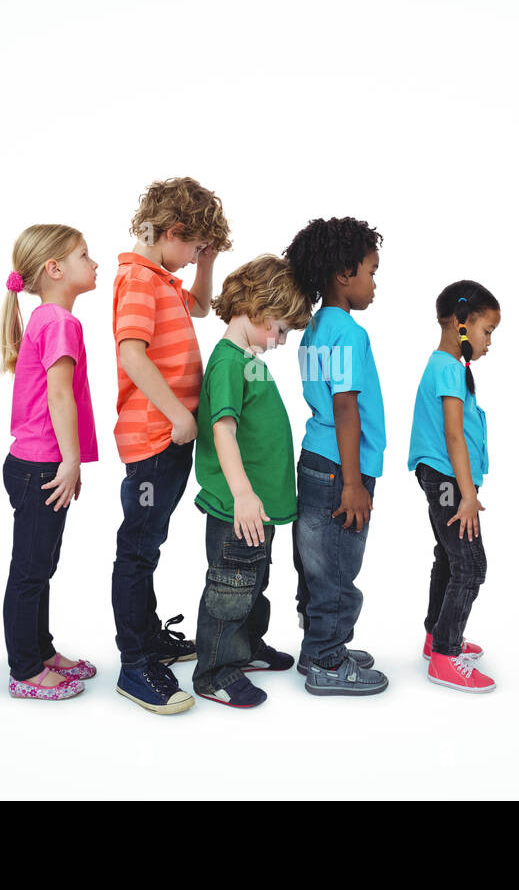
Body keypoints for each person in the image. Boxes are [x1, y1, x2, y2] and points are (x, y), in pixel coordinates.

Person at [111, 176, 232, 713]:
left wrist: (206, 260)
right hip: (155, 439)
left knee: (150, 543)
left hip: (172, 436)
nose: (191, 261)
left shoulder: (161, 276)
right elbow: (132, 355)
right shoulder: (138, 279)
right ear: (173, 231)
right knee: (136, 549)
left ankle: (150, 636)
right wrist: (180, 415)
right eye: (193, 248)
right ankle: (135, 663)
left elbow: (203, 306)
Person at [190, 255, 312, 708]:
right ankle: (215, 672)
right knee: (230, 589)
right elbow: (223, 428)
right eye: (279, 328)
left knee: (253, 581)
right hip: (237, 507)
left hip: (259, 509)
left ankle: (247, 648)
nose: (280, 341)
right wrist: (242, 493)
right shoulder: (227, 361)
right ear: (258, 306)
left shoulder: (249, 357)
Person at [285, 217, 389, 696]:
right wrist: (353, 483)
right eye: (371, 270)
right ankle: (329, 659)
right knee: (339, 566)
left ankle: (320, 646)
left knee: (316, 563)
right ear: (343, 274)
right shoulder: (347, 330)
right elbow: (345, 405)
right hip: (339, 468)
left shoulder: (315, 329)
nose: (374, 282)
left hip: (314, 458)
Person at [0, 224, 101, 701]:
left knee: (40, 565)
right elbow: (60, 397)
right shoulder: (60, 322)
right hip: (42, 466)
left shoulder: (46, 318)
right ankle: (24, 670)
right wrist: (71, 462)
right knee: (31, 570)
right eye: (85, 255)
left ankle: (40, 650)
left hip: (35, 464)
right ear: (54, 269)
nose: (94, 263)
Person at [408, 281, 500, 692]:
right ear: (461, 322)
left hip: (445, 478)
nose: (489, 342)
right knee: (471, 565)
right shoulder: (447, 368)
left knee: (449, 558)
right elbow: (454, 437)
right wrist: (468, 495)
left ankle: (436, 637)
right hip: (447, 481)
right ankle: (446, 656)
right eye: (487, 331)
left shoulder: (450, 367)